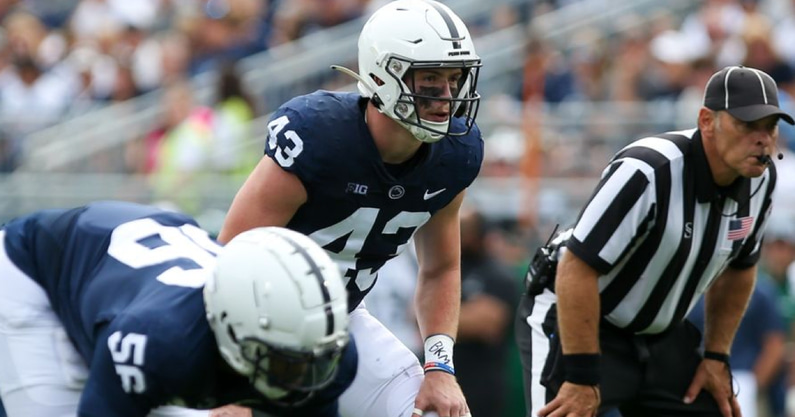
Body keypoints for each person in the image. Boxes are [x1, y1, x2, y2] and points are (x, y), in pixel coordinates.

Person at [218, 0, 483, 416]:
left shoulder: (456, 154)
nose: (447, 97)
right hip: (256, 322)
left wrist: (440, 367)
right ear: (381, 74)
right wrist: (227, 384)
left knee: (439, 411)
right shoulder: (320, 137)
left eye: (455, 79)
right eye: (430, 80)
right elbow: (228, 256)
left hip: (340, 321)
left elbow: (440, 268)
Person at [515, 65, 794, 417]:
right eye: (746, 125)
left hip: (660, 333)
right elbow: (576, 268)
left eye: (769, 126)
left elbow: (740, 269)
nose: (762, 139)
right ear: (707, 121)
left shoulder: (761, 180)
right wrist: (582, 376)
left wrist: (716, 356)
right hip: (576, 320)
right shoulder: (649, 169)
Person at [0, 201, 356, 417]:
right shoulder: (161, 340)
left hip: (122, 288)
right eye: (285, 361)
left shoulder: (324, 350)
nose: (305, 378)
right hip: (36, 276)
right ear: (230, 329)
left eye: (314, 360)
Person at [688, 277, 787, 417]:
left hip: (745, 380)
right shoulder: (695, 293)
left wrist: (753, 386)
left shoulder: (762, 292)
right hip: (705, 382)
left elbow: (774, 345)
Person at [455, 207, 520, 417]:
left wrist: (436, 317)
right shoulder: (448, 269)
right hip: (442, 376)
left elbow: (486, 324)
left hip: (480, 384)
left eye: (464, 227)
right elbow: (415, 314)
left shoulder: (497, 274)